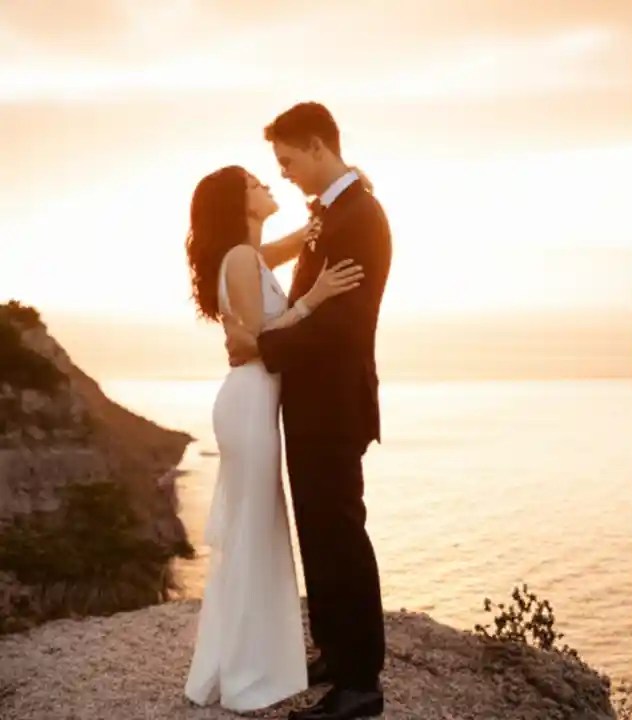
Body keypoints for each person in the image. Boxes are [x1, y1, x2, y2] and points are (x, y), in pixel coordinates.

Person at [224, 102, 393, 720]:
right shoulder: (335, 213)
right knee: (319, 530)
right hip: (312, 398)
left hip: (334, 400)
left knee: (340, 531)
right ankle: (335, 650)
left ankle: (361, 683)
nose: (287, 173)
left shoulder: (359, 218)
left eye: (289, 160)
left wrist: (261, 346)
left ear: (319, 146)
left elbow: (341, 329)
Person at [183, 165, 363, 712]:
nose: (268, 186)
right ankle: (247, 667)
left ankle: (251, 656)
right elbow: (260, 340)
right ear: (240, 202)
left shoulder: (251, 255)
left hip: (256, 402)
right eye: (257, 183)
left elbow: (283, 253)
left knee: (256, 527)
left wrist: (331, 210)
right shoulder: (241, 258)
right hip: (249, 401)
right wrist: (316, 297)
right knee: (255, 528)